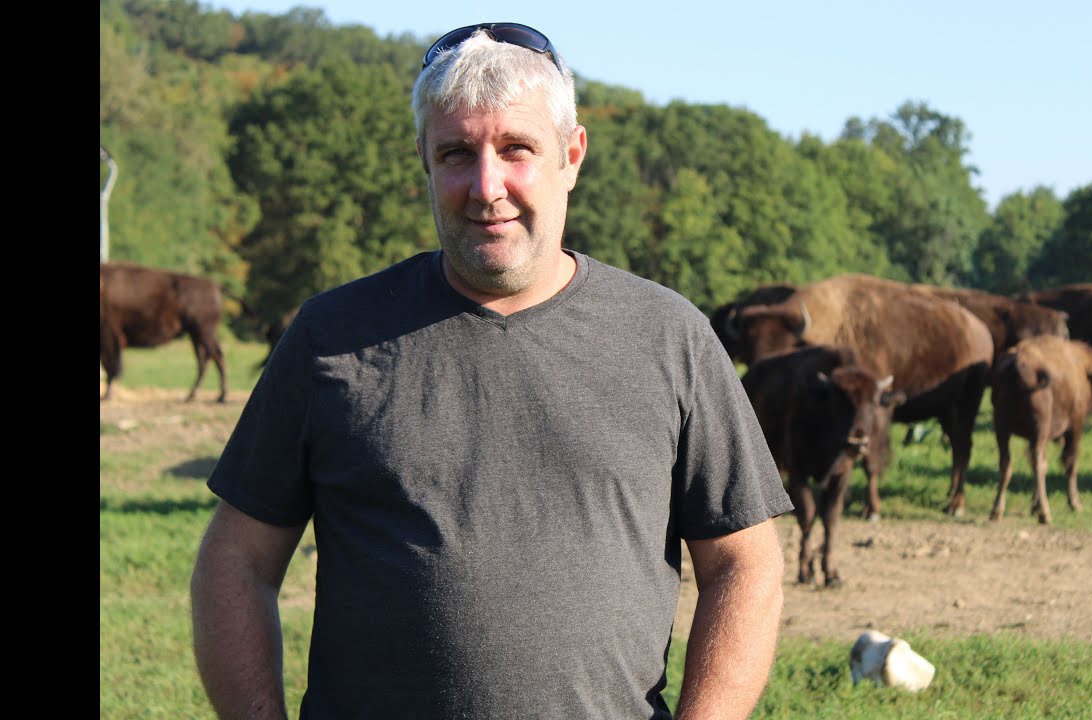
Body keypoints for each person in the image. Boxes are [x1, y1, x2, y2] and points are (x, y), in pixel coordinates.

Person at [190, 21, 793, 719]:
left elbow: (744, 565)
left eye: (516, 149)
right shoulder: (331, 338)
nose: (486, 186)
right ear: (423, 158)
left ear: (572, 155)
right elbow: (236, 562)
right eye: (456, 153)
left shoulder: (668, 337)